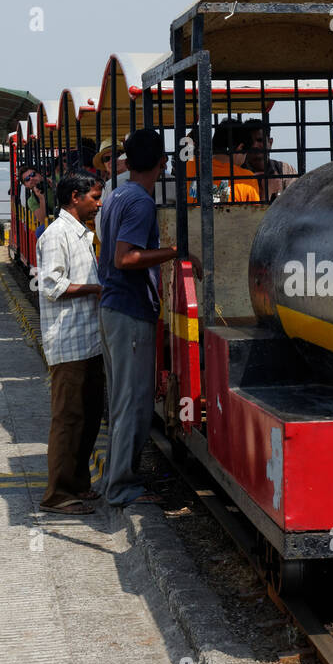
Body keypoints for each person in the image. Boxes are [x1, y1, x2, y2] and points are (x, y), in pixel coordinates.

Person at [98, 129, 201, 508]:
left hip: (113, 309)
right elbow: (124, 258)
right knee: (132, 402)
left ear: (126, 161)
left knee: (124, 400)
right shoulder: (140, 201)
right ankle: (121, 487)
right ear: (162, 162)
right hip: (129, 311)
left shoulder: (117, 194)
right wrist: (174, 251)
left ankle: (116, 477)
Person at [36, 172, 106, 515]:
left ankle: (79, 483)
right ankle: (58, 494)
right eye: (94, 197)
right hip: (68, 341)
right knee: (67, 417)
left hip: (88, 339)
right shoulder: (57, 235)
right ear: (75, 197)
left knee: (88, 415)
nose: (99, 202)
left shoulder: (81, 235)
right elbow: (51, 284)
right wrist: (95, 289)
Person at [238, 118, 297, 200]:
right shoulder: (238, 173)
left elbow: (295, 201)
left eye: (260, 140)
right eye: (250, 141)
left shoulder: (285, 169)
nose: (254, 145)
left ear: (270, 143)